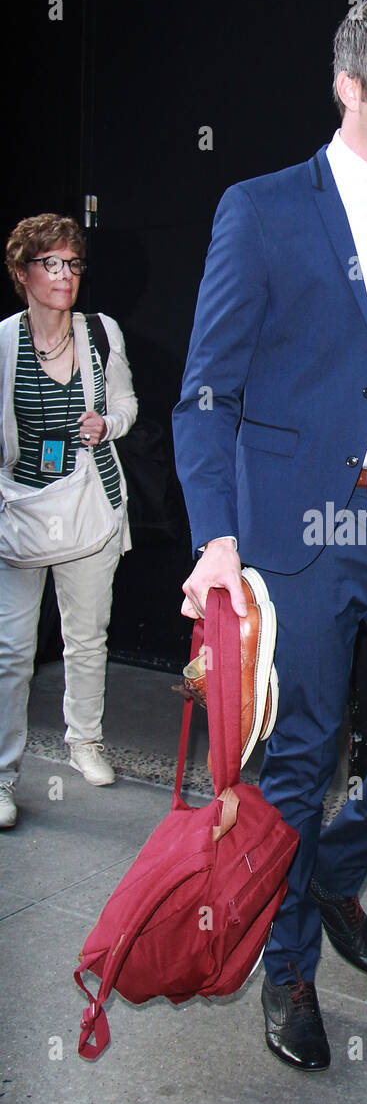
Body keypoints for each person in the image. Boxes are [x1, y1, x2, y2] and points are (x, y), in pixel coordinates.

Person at [173, 0, 367, 1071]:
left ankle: (330, 870)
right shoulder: (262, 209)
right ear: (349, 87)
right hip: (307, 520)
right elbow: (205, 391)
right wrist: (216, 535)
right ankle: (291, 964)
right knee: (300, 760)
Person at [0, 214, 137, 828]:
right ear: (22, 272)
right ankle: (4, 776)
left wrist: (109, 423)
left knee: (87, 637)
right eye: (50, 263)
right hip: (21, 509)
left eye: (72, 264)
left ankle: (85, 742)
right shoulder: (4, 341)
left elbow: (129, 403)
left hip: (91, 502)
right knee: (10, 652)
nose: (64, 275)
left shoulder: (101, 333)